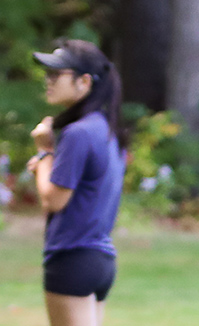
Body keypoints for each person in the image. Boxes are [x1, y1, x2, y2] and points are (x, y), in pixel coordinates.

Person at [27, 39, 126, 326]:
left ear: (84, 81)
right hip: (101, 262)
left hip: (72, 258)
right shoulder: (107, 130)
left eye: (57, 74)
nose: (49, 80)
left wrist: (44, 153)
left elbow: (53, 200)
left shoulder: (77, 134)